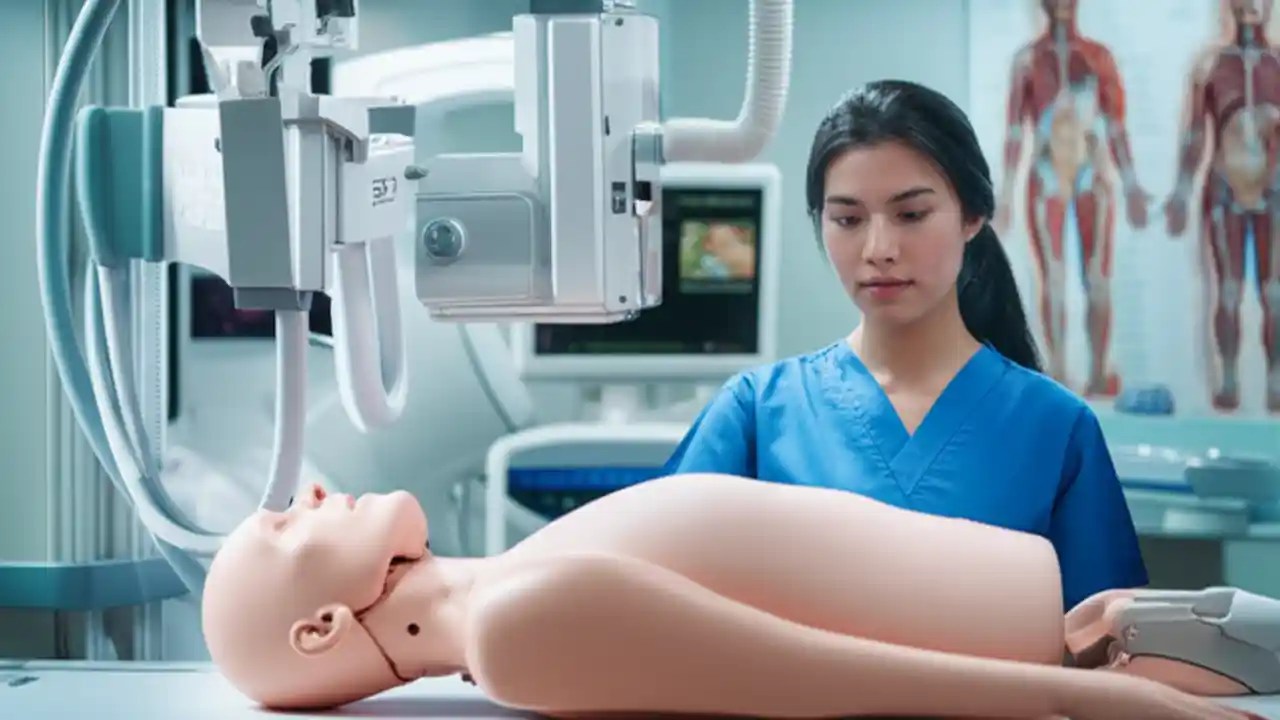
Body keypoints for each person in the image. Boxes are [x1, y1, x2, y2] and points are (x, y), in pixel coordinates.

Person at [663, 79, 1148, 611]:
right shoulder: (758, 414)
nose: (878, 249)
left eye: (911, 215)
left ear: (972, 216)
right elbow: (649, 597)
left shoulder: (1054, 428)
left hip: (994, 700)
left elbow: (1104, 649)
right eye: (847, 220)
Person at [201, 476, 1261, 719]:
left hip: (1089, 631)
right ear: (320, 626)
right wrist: (1106, 703)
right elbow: (813, 676)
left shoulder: (505, 594)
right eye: (284, 527)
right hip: (1082, 658)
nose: (305, 495)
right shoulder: (514, 630)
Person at [992, 0, 1150, 395]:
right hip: (1047, 173)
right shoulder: (1028, 60)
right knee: (1055, 278)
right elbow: (1014, 130)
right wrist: (1006, 194)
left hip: (1089, 172)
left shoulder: (1097, 57)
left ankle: (1097, 370)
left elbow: (1115, 126)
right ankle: (1059, 369)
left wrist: (1130, 184)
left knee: (1097, 276)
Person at [1163, 0, 1280, 412]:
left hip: (1274, 189)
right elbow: (1195, 134)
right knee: (1228, 291)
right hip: (1225, 186)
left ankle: (1274, 379)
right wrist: (1180, 190)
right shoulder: (1210, 64)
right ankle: (1229, 379)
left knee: (1274, 292)